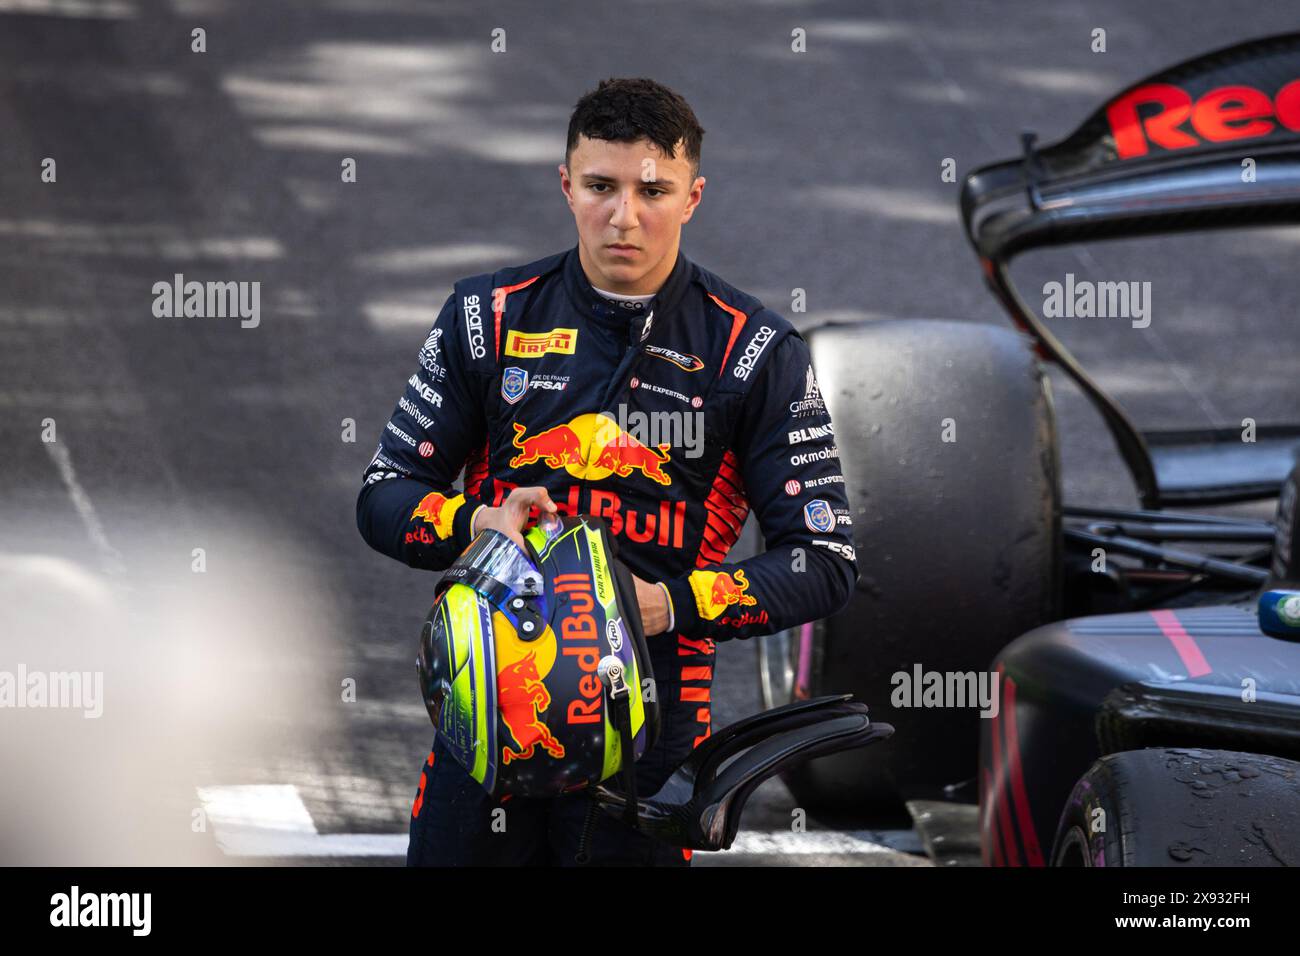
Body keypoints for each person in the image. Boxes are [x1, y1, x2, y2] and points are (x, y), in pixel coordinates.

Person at [356, 77, 859, 866]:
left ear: (693, 196)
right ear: (567, 186)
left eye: (652, 190)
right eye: (601, 187)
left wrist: (668, 604)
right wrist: (473, 521)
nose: (624, 216)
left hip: (648, 730)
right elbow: (384, 494)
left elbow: (825, 562)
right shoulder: (487, 317)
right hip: (489, 706)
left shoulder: (755, 351)